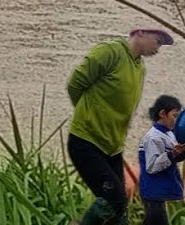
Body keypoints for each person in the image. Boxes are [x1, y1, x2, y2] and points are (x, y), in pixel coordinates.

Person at [66, 29, 175, 225]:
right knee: (115, 200)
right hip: (87, 142)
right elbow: (75, 84)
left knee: (120, 211)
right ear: (141, 32)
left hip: (112, 147)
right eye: (157, 42)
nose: (158, 49)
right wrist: (89, 115)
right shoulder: (109, 52)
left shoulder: (139, 67)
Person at [138, 95, 185, 225]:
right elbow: (152, 167)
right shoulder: (154, 138)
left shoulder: (168, 134)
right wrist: (171, 154)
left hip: (159, 189)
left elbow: (175, 158)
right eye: (175, 116)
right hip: (153, 189)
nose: (177, 121)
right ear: (162, 114)